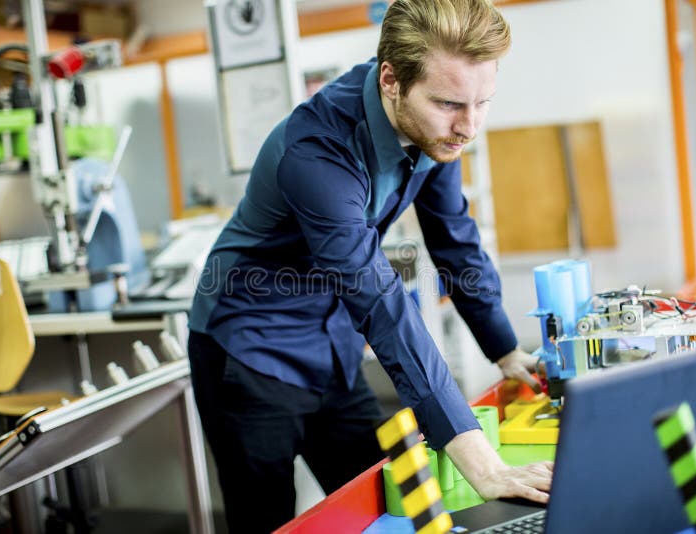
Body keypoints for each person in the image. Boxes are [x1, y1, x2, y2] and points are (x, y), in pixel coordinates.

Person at [188, 0, 553, 531]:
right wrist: (484, 464)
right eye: (451, 104)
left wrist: (504, 350)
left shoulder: (436, 128)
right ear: (391, 80)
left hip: (331, 349)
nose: (468, 126)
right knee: (266, 521)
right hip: (249, 351)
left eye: (483, 103)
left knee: (385, 507)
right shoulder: (316, 150)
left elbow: (454, 240)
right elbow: (379, 300)